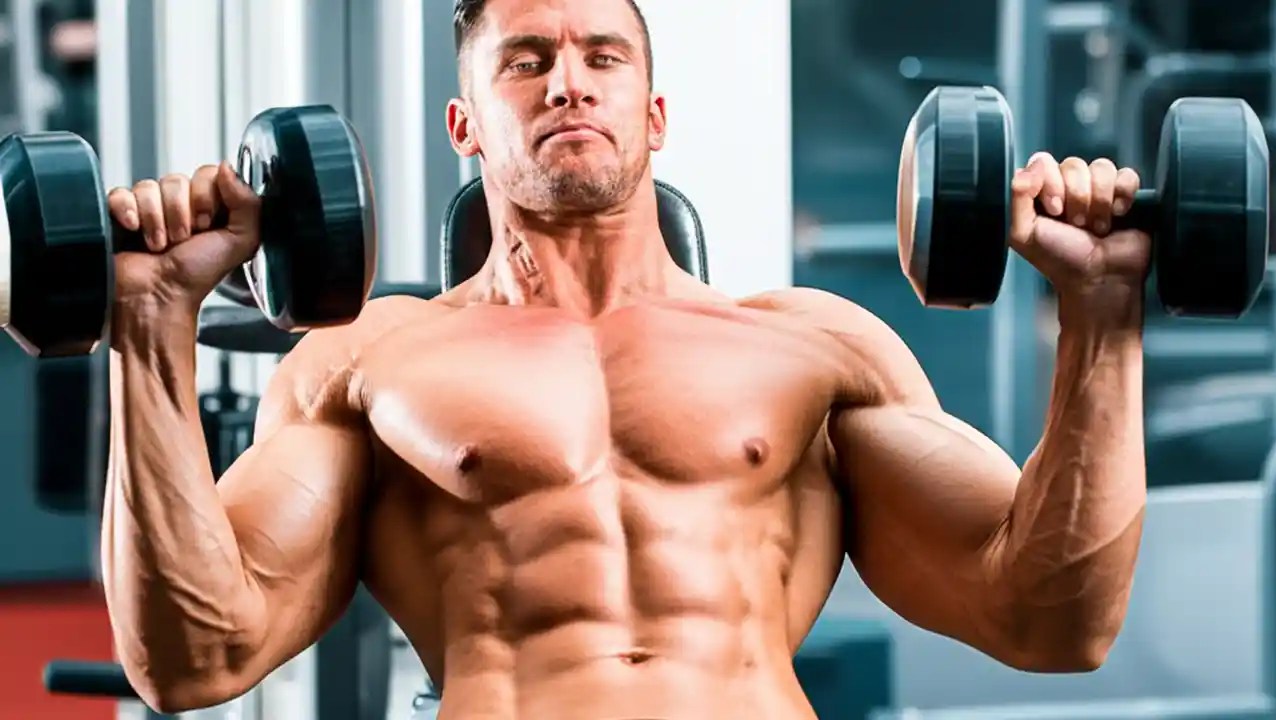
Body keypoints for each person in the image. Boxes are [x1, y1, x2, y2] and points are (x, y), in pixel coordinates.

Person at [100, 0, 1148, 716]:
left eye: (602, 57)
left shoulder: (815, 348)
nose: (566, 84)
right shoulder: (369, 362)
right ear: (464, 125)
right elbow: (197, 657)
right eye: (525, 62)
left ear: (652, 115)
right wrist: (150, 327)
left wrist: (1098, 317)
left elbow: (1050, 621)